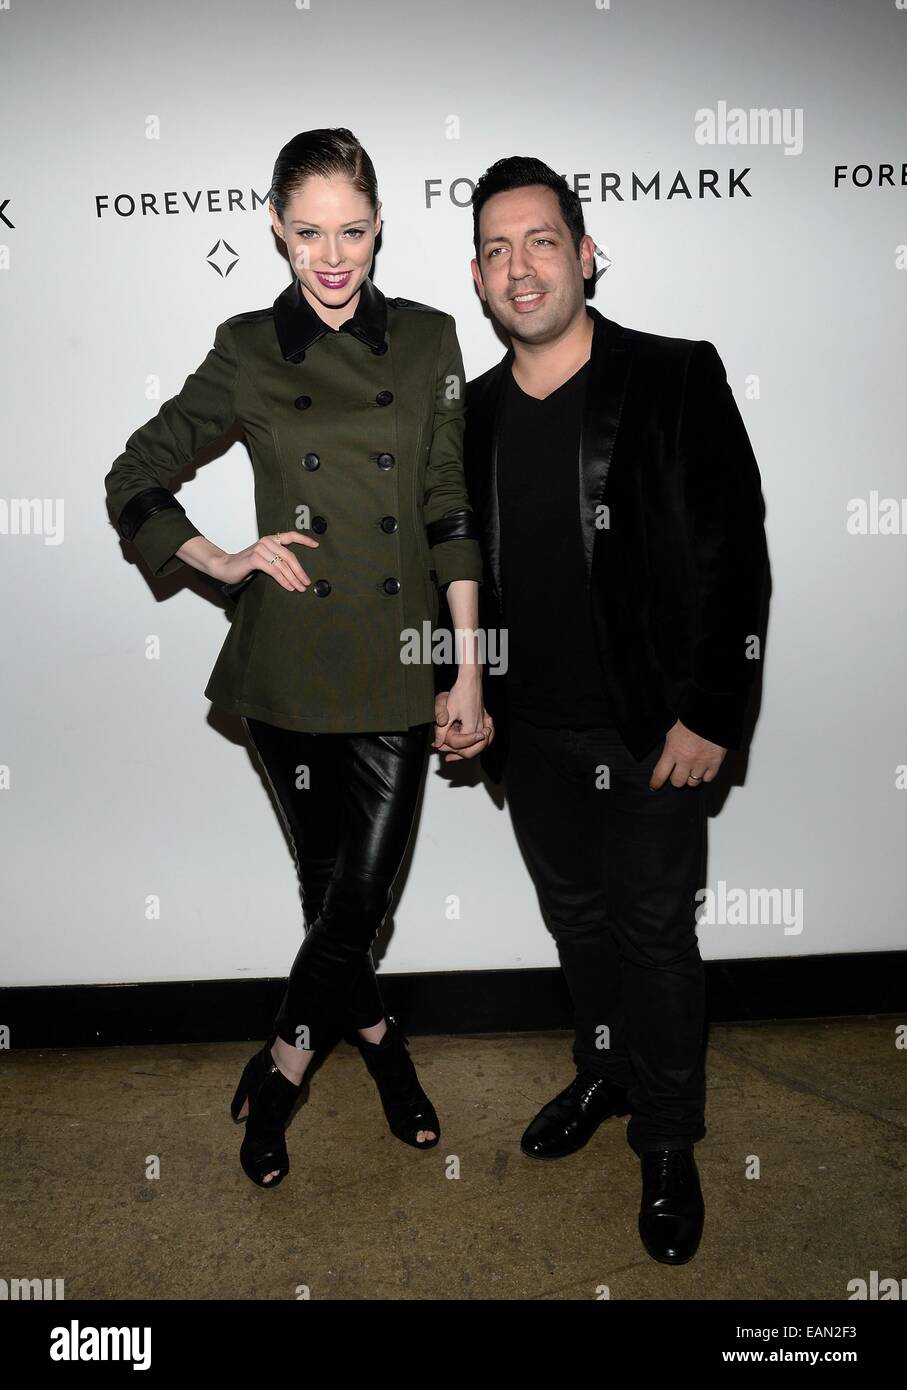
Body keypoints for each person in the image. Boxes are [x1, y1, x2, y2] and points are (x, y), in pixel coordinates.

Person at [105, 128, 491, 1189]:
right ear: (275, 227)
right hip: (287, 671)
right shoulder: (245, 346)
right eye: (310, 231)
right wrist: (221, 560)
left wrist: (464, 665)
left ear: (379, 229)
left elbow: (450, 505)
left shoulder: (428, 340)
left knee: (352, 903)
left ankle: (283, 1064)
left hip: (399, 663)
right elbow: (135, 471)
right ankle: (382, 1045)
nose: (332, 257)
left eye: (353, 231)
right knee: (339, 903)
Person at [434, 155, 770, 1264]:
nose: (517, 266)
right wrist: (460, 683)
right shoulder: (470, 415)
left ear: (584, 254)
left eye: (538, 241)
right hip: (533, 736)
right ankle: (606, 1073)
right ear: (479, 281)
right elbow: (454, 564)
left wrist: (712, 712)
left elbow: (734, 559)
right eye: (494, 248)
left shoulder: (675, 377)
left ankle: (668, 1143)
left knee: (656, 938)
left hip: (650, 733)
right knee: (578, 929)